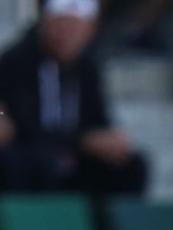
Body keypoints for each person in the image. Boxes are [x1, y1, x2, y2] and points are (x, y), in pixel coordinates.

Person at [0, 0, 148, 194]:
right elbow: (22, 125)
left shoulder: (87, 68)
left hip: (75, 154)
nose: (66, 34)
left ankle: (103, 223)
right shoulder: (17, 61)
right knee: (25, 163)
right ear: (46, 23)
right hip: (33, 152)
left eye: (75, 27)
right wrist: (82, 140)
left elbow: (98, 119)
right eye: (61, 24)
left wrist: (110, 140)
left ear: (89, 30)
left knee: (130, 166)